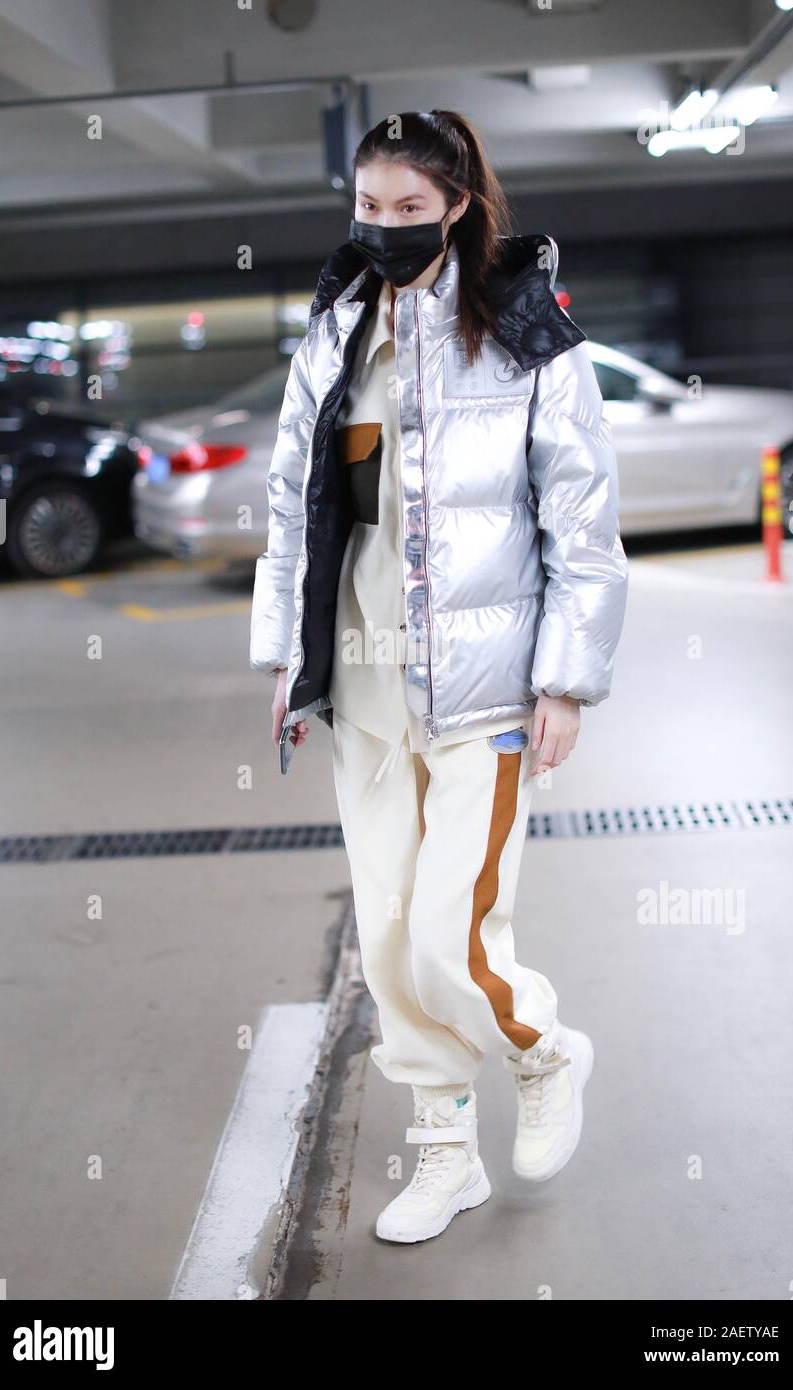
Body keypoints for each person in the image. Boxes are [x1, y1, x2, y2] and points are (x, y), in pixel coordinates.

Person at [250, 109, 628, 1244]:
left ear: (459, 207)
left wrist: (563, 679)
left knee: (450, 939)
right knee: (384, 938)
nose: (383, 229)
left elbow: (583, 520)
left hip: (485, 692)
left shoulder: (525, 334)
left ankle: (544, 1047)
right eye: (366, 208)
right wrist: (286, 656)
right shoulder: (333, 333)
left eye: (408, 210)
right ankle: (444, 1153)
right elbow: (291, 506)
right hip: (362, 685)